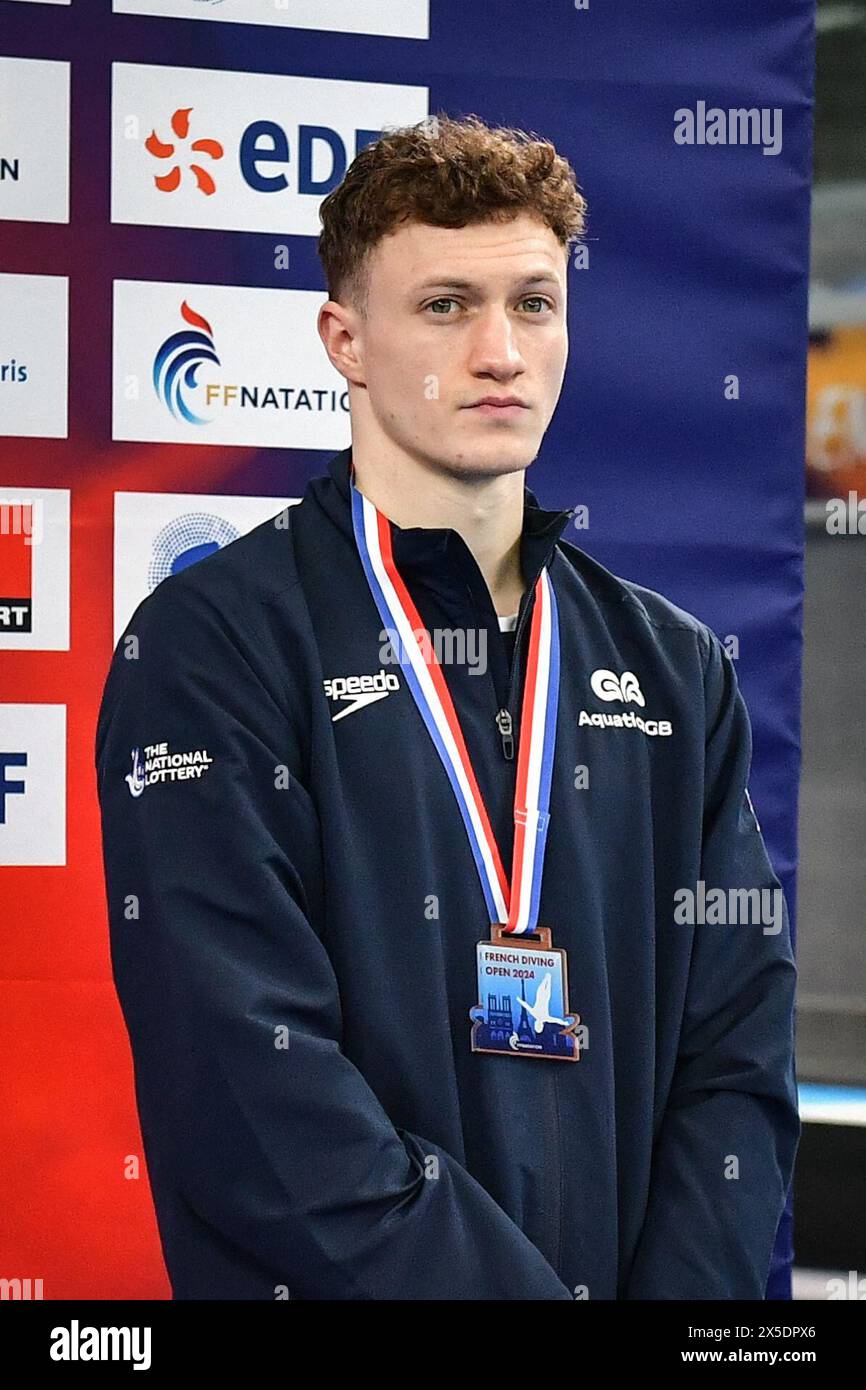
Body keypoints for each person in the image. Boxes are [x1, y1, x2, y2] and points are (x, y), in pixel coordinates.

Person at [95, 113, 800, 1300]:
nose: (500, 352)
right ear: (344, 340)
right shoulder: (211, 643)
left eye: (532, 303)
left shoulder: (673, 665)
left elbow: (733, 1058)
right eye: (444, 306)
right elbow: (247, 1084)